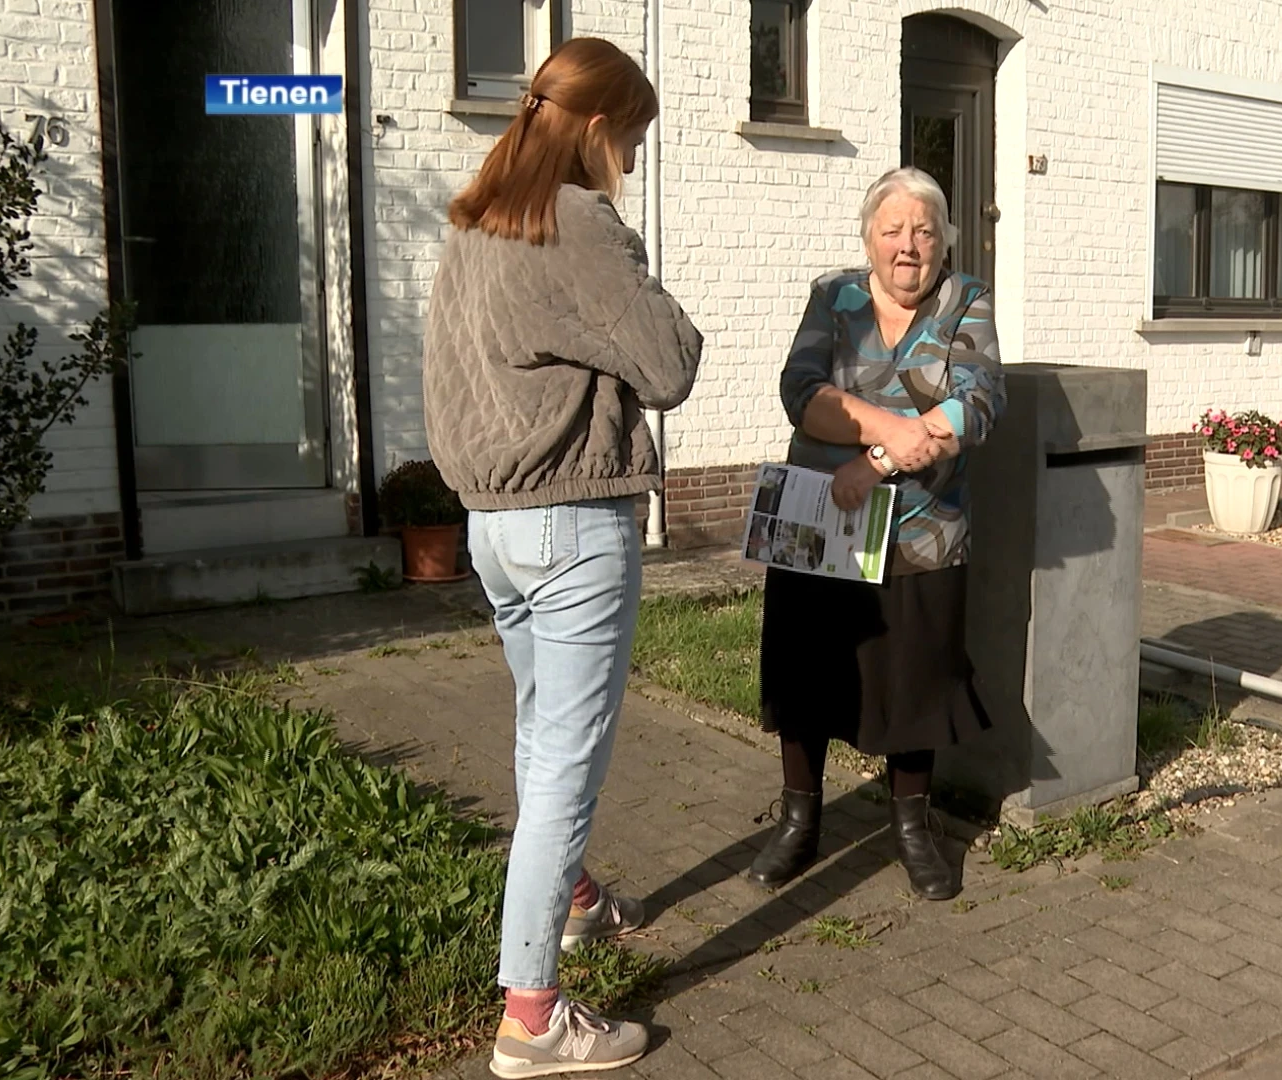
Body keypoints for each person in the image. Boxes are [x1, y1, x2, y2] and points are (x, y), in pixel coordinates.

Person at [423, 37, 702, 1079]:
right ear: (594, 127)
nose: (630, 153)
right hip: (574, 520)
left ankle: (576, 900)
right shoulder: (577, 223)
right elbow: (670, 361)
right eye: (629, 135)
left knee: (542, 731)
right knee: (563, 770)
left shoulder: (474, 225)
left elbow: (453, 383)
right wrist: (628, 265)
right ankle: (532, 1017)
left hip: (493, 525)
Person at [751, 166, 1006, 902]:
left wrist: (875, 461)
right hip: (821, 524)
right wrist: (893, 430)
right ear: (869, 237)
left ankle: (911, 830)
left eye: (924, 231)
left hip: (924, 533)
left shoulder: (968, 302)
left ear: (943, 241)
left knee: (915, 682)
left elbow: (979, 402)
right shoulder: (836, 298)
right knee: (808, 675)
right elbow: (801, 392)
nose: (908, 245)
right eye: (893, 230)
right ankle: (800, 823)